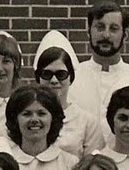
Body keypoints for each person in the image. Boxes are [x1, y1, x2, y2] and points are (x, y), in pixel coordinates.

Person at [32, 28, 109, 161]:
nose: (54, 81)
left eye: (61, 75)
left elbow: (91, 166)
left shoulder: (87, 122)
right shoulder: (27, 117)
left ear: (71, 78)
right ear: (38, 78)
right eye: (47, 74)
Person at [73, 0, 129, 122]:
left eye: (113, 29)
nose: (106, 35)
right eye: (100, 27)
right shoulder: (73, 78)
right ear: (89, 32)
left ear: (125, 35)